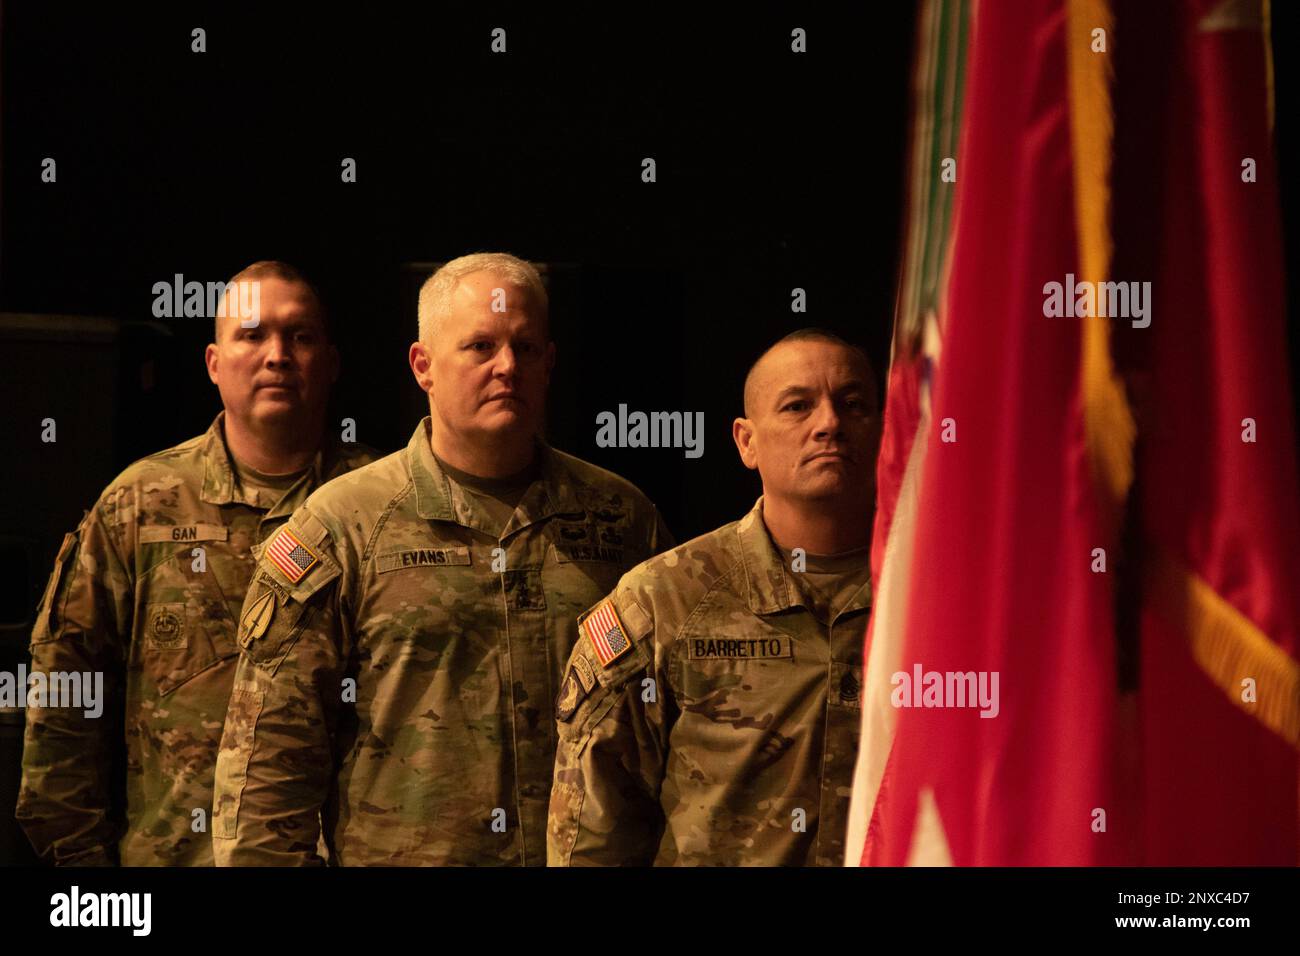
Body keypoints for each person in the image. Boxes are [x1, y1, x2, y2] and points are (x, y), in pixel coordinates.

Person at [212, 252, 672, 865]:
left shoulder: (621, 520)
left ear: (550, 363)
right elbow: (269, 765)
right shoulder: (342, 527)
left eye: (526, 347)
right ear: (423, 366)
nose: (507, 366)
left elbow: (674, 734)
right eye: (480, 347)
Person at [17, 261, 376, 865]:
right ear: (214, 363)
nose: (278, 355)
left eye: (301, 336)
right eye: (253, 334)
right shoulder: (137, 506)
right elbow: (64, 698)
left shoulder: (381, 503)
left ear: (333, 364)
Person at [548, 328, 880, 866]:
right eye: (798, 406)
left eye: (853, 404)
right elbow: (594, 826)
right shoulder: (667, 600)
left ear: (886, 428)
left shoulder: (942, 597)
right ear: (746, 442)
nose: (830, 424)